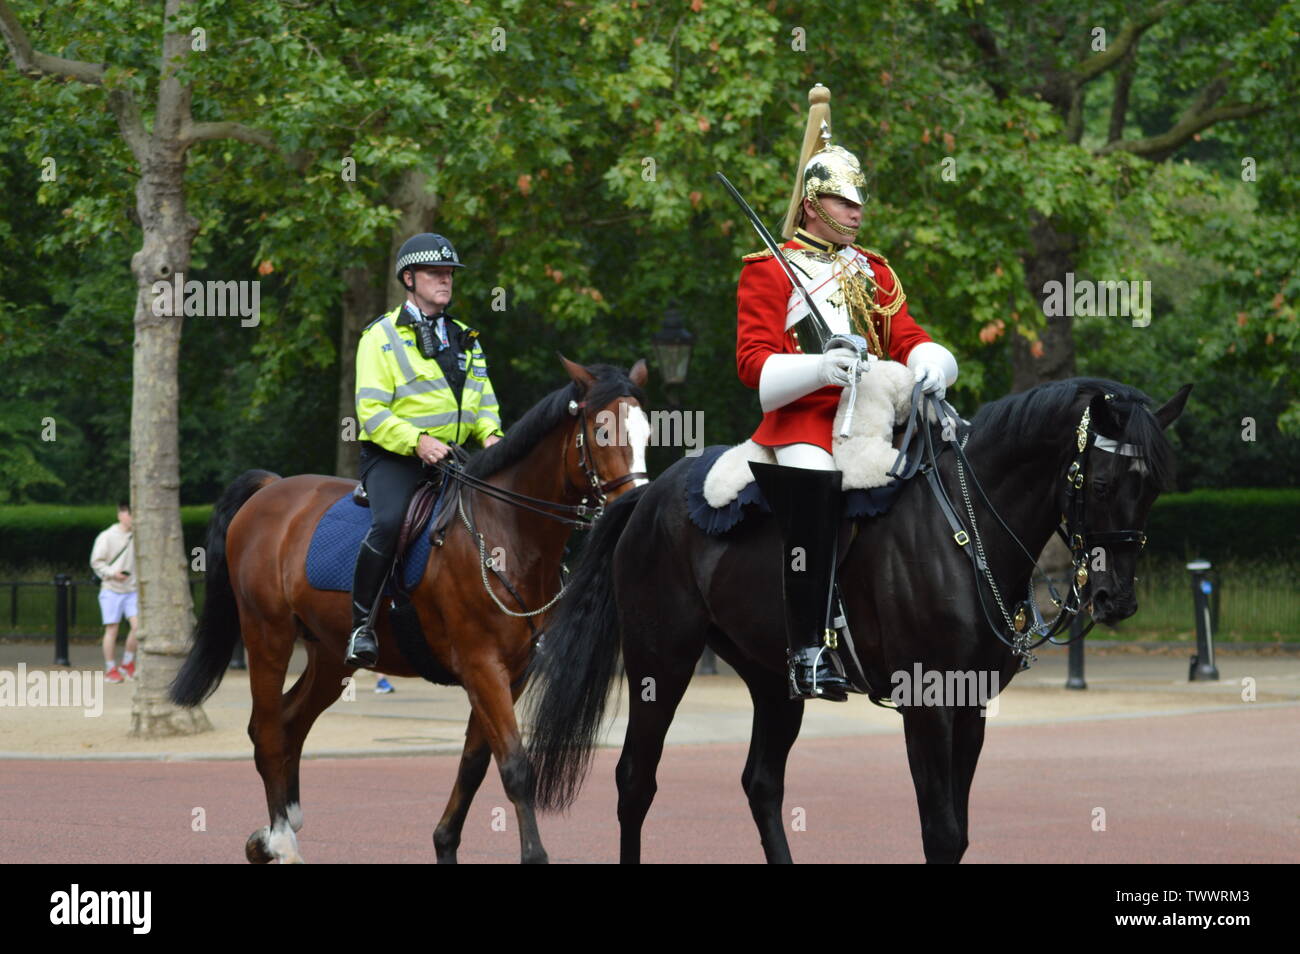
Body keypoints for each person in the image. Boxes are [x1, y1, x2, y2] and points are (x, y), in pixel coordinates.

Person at [736, 85, 959, 701]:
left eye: (859, 200)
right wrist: (821, 367)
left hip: (872, 415)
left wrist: (932, 366)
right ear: (813, 203)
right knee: (816, 488)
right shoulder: (769, 267)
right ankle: (808, 647)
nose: (856, 210)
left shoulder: (874, 269)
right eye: (842, 198)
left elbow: (907, 335)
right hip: (803, 421)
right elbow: (754, 368)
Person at [346, 233, 505, 668]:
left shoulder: (467, 337)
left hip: (454, 457)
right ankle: (360, 626)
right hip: (395, 457)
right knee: (389, 523)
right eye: (436, 273)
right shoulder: (379, 337)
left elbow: (483, 403)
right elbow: (371, 411)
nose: (446, 280)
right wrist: (417, 441)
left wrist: (492, 435)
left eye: (450, 273)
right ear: (409, 278)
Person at [90, 502, 138, 683]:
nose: (132, 517)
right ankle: (110, 668)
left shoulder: (138, 535)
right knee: (112, 629)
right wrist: (112, 574)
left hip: (132, 590)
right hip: (111, 589)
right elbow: (96, 562)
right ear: (121, 514)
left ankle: (127, 663)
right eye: (129, 514)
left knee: (138, 627)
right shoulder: (107, 536)